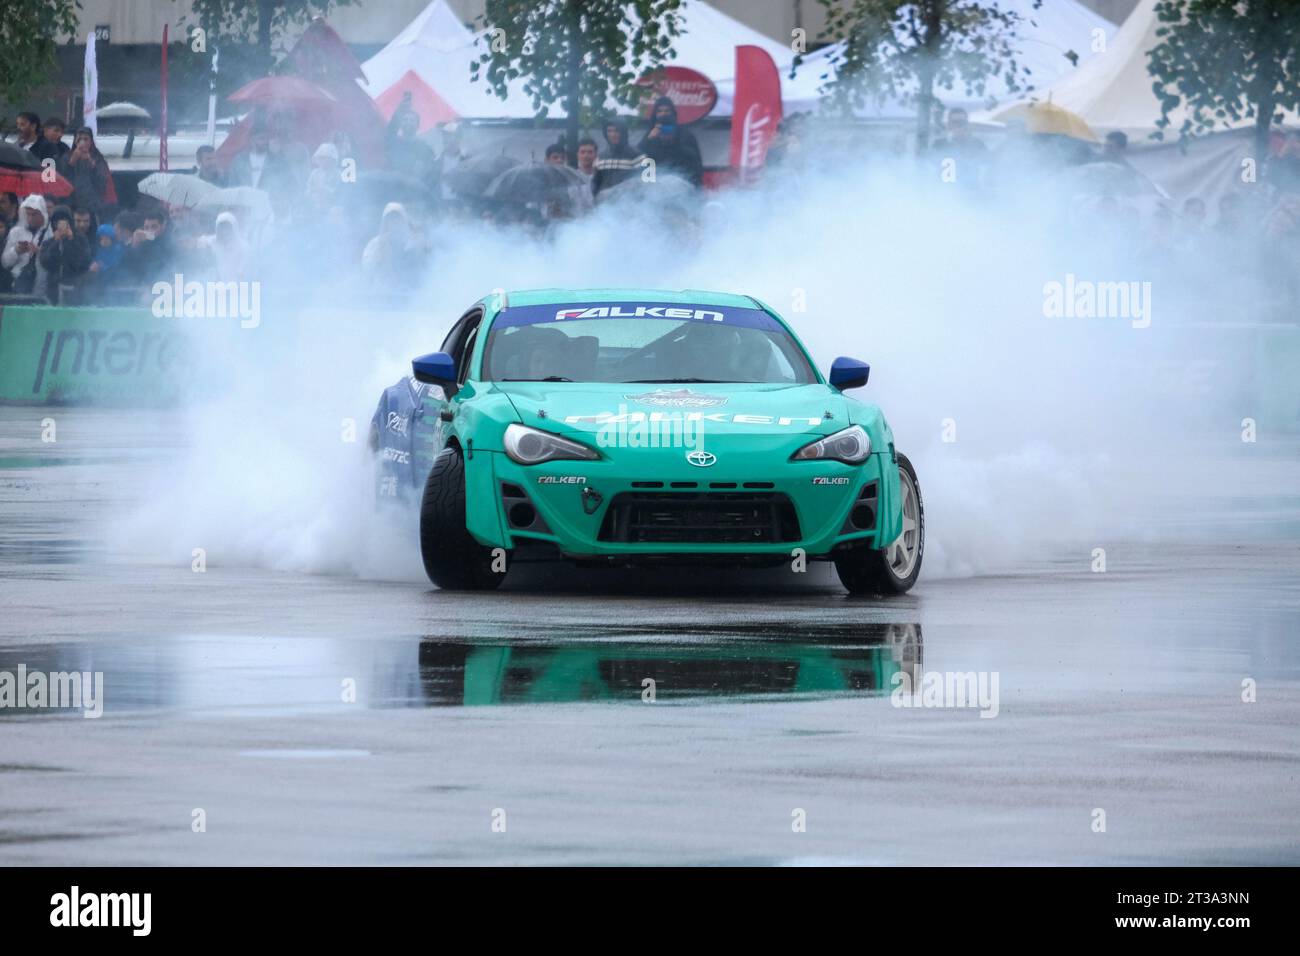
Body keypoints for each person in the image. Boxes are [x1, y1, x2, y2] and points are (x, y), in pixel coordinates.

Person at [637, 96, 703, 187]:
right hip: (654, 188)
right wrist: (649, 140)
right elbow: (638, 159)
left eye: (667, 111)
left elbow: (696, 166)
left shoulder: (686, 135)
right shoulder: (650, 135)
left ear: (673, 113)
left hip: (683, 186)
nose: (663, 114)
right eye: (659, 111)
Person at [57, 128, 116, 216]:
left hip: (93, 204)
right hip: (72, 203)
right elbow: (62, 179)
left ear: (91, 141)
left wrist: (91, 162)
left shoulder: (97, 158)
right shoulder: (66, 157)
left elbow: (102, 180)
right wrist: (73, 161)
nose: (82, 142)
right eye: (79, 139)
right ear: (75, 141)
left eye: (85, 139)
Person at [362, 202, 425, 282]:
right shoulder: (375, 245)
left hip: (410, 289)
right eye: (391, 219)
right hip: (383, 288)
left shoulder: (413, 243)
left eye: (397, 219)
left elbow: (423, 270)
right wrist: (382, 255)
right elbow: (368, 269)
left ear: (404, 221)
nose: (394, 222)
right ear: (385, 223)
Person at [1, 194, 51, 296]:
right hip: (17, 283)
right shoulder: (16, 232)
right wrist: (16, 251)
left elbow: (53, 262)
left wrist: (39, 252)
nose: (30, 218)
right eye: (28, 214)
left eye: (34, 214)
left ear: (42, 214)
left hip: (41, 284)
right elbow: (5, 262)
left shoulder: (50, 234)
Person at [38, 205, 91, 300]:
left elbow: (85, 262)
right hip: (53, 289)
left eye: (64, 221)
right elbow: (45, 262)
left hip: (76, 289)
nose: (61, 225)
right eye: (58, 221)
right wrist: (56, 242)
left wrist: (71, 240)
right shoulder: (48, 242)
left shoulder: (80, 239)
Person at [386, 96, 435, 180]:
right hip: (393, 185)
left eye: (412, 120)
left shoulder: (425, 148)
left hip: (414, 188)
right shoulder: (393, 143)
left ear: (418, 125)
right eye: (405, 119)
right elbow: (390, 130)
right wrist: (401, 109)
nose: (408, 122)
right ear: (400, 123)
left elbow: (430, 173)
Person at [593, 117, 641, 198]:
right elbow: (596, 183)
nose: (613, 134)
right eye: (609, 131)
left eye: (616, 130)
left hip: (628, 204)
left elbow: (642, 184)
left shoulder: (636, 155)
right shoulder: (601, 157)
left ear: (623, 132)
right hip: (604, 206)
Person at [196, 211, 250, 282]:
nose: (224, 231)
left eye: (227, 228)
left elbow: (242, 271)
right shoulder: (209, 241)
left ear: (234, 228)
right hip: (211, 285)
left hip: (236, 286)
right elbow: (200, 243)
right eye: (221, 227)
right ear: (217, 228)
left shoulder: (243, 247)